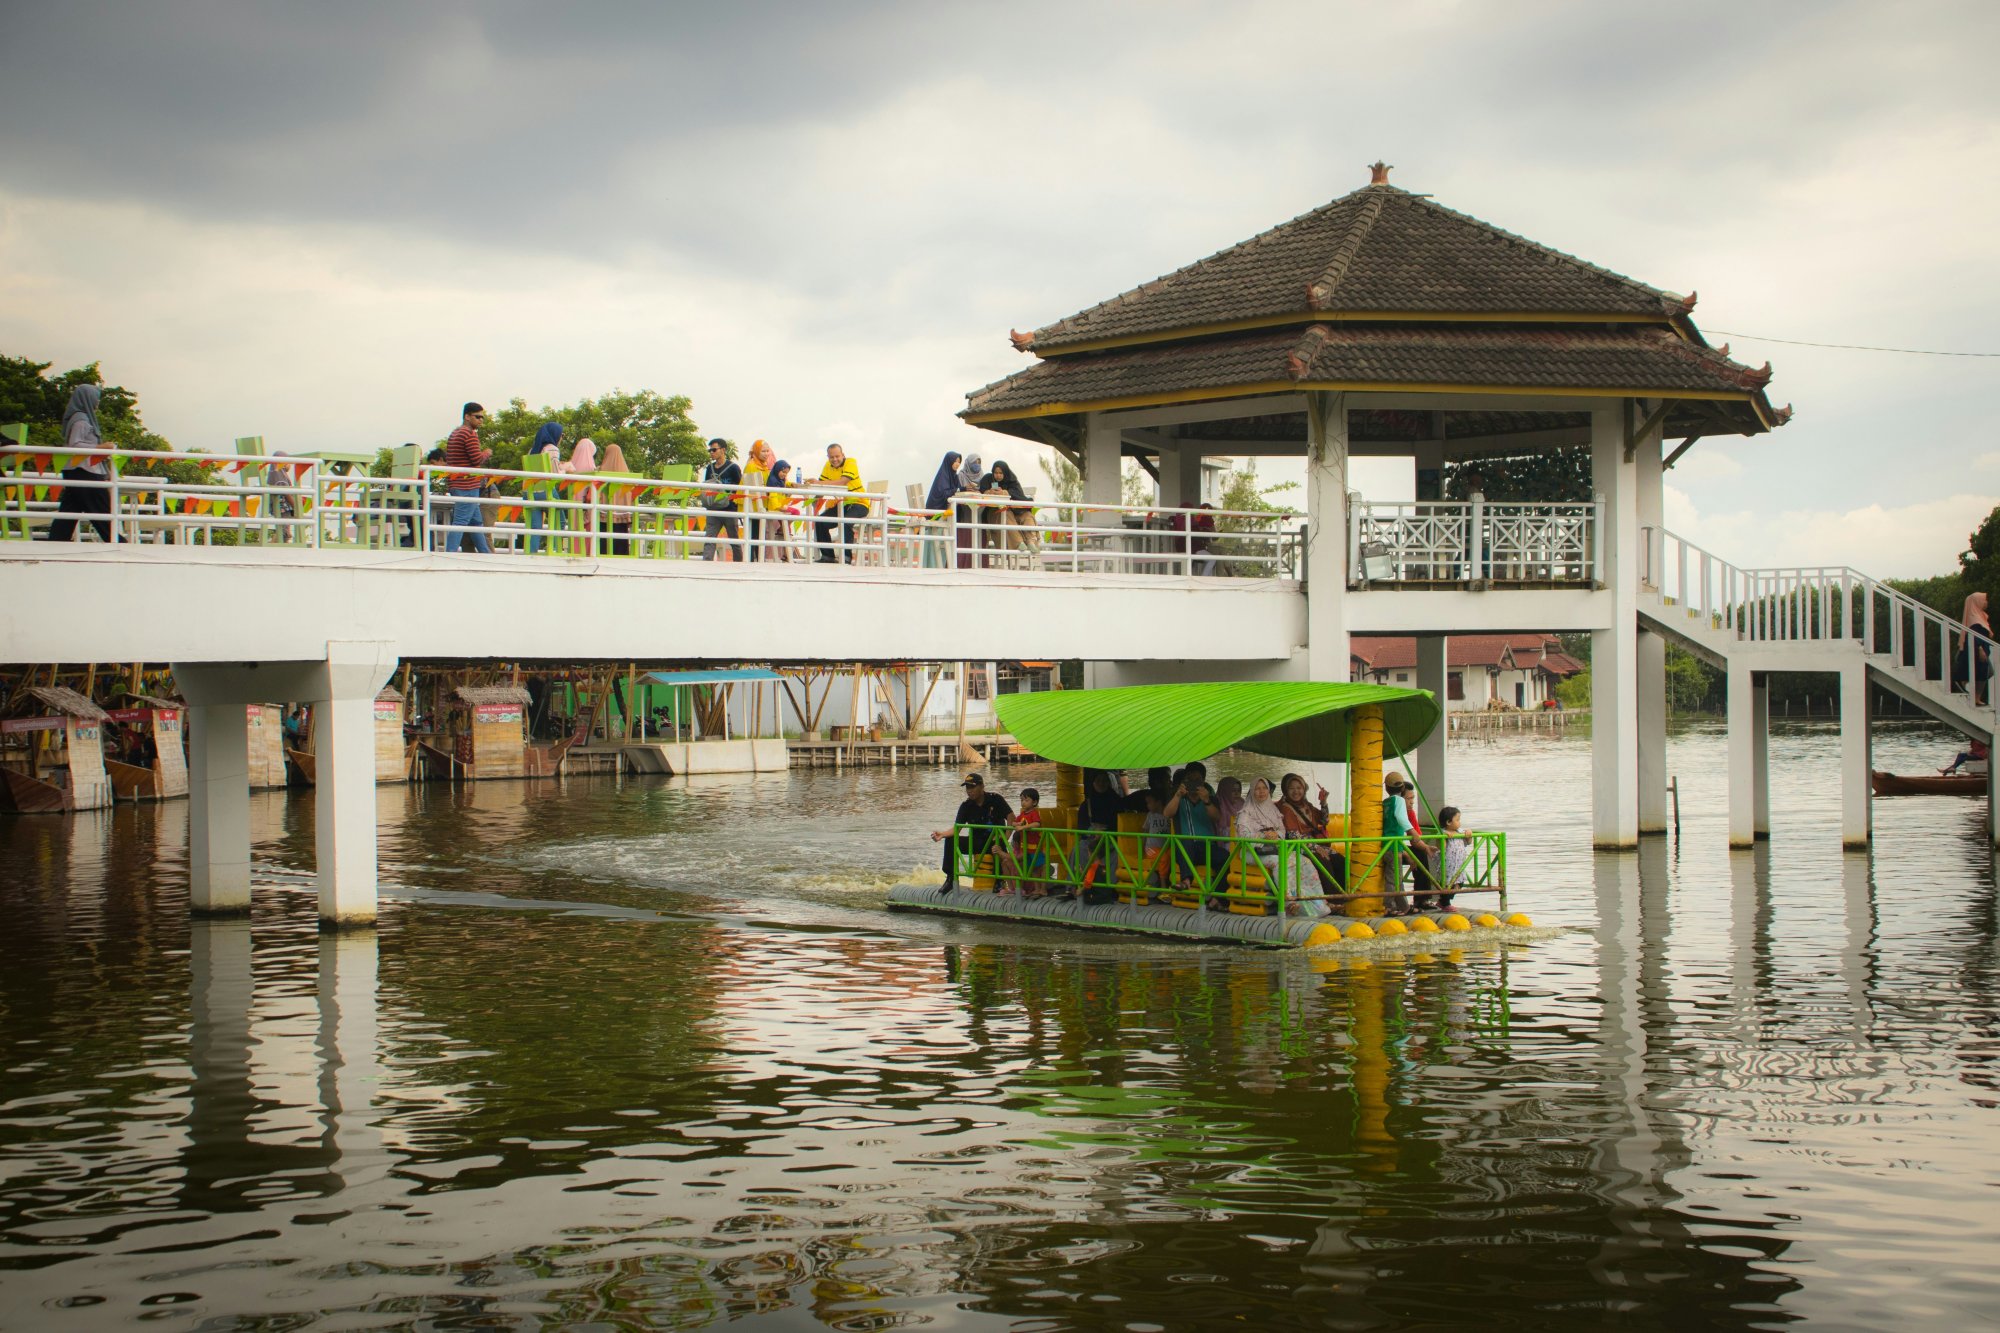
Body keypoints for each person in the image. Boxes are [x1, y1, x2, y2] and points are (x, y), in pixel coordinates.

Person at [46, 385, 112, 542]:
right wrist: (100, 448)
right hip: (84, 470)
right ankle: (118, 542)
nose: (97, 403)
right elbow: (75, 445)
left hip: (77, 469)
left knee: (70, 509)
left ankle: (56, 541)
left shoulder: (79, 418)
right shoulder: (82, 420)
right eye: (96, 398)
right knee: (101, 510)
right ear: (87, 398)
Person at [931, 773, 1014, 893]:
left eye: (972, 787)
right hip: (976, 842)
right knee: (951, 840)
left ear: (982, 786)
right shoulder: (966, 806)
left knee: (998, 844)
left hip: (995, 841)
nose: (969, 791)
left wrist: (1005, 837)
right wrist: (942, 834)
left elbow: (1011, 817)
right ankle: (951, 879)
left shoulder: (995, 799)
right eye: (967, 788)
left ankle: (999, 880)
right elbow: (956, 829)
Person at [1163, 761, 1225, 899]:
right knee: (1184, 842)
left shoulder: (1210, 798)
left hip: (1206, 847)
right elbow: (1167, 814)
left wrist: (1206, 800)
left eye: (1197, 780)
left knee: (1226, 858)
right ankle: (1186, 880)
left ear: (1203, 781)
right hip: (1185, 848)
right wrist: (1178, 795)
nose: (1193, 783)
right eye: (1189, 780)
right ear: (1184, 780)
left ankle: (1217, 898)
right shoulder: (1178, 797)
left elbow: (1217, 817)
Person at [1278, 772, 1345, 895]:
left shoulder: (1306, 805)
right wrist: (1316, 847)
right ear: (1285, 790)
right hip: (1299, 846)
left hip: (1315, 844)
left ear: (1304, 789)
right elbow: (1293, 836)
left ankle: (1345, 893)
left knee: (1339, 859)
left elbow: (1324, 820)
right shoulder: (1286, 808)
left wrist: (1324, 802)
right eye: (1291, 788)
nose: (1296, 791)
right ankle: (1333, 899)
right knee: (1324, 861)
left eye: (1299, 788)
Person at [443, 402, 492, 553]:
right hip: (468, 484)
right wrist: (487, 453)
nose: (480, 421)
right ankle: (449, 553)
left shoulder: (455, 433)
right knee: (461, 521)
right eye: (477, 417)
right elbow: (477, 459)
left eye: (482, 418)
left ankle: (486, 554)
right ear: (467, 416)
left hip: (457, 483)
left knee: (476, 522)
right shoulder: (469, 434)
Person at [811, 442, 869, 563]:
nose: (835, 459)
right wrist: (815, 499)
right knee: (820, 521)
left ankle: (846, 557)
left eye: (837, 456)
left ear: (843, 455)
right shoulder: (827, 466)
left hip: (859, 503)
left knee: (845, 522)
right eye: (831, 457)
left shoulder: (851, 462)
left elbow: (843, 482)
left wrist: (817, 483)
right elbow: (821, 486)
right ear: (828, 457)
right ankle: (828, 556)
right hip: (841, 504)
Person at [978, 460, 1037, 556]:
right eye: (996, 473)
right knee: (1006, 513)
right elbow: (981, 492)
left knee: (1028, 515)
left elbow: (1020, 497)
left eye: (1001, 473)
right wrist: (989, 492)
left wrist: (1005, 493)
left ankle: (1030, 541)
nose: (998, 475)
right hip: (996, 512)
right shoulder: (988, 479)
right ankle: (1018, 542)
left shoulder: (1012, 481)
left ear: (1005, 473)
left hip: (1017, 511)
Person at [700, 438, 744, 562]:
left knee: (734, 540)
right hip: (713, 508)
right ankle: (706, 564)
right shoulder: (709, 468)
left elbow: (740, 488)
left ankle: (738, 565)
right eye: (710, 450)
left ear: (723, 450)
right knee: (709, 538)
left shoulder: (733, 468)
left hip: (729, 509)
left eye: (714, 450)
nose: (711, 453)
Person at [524, 421, 564, 553]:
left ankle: (531, 553)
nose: (561, 438)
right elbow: (556, 475)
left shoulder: (532, 450)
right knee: (560, 520)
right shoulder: (552, 448)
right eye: (561, 435)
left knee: (535, 526)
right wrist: (567, 468)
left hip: (530, 492)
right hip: (546, 491)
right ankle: (554, 550)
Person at [1011, 787, 1049, 897]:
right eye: (1022, 800)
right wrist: (1017, 824)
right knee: (1033, 869)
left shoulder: (1034, 813)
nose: (1023, 802)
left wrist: (1024, 827)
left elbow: (1037, 824)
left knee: (1041, 867)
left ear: (1035, 802)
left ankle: (1043, 889)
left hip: (1035, 847)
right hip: (1025, 848)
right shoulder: (1022, 814)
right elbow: (1014, 822)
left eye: (1026, 800)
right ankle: (1037, 889)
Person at [742, 439, 776, 561]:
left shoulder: (764, 466)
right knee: (753, 534)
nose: (766, 454)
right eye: (763, 451)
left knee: (757, 534)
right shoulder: (751, 466)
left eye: (768, 451)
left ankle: (756, 558)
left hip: (760, 504)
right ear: (756, 451)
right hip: (753, 505)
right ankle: (752, 559)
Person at [598, 442, 634, 555]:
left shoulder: (600, 472)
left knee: (603, 540)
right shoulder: (626, 474)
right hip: (621, 516)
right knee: (620, 539)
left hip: (604, 516)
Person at [1959, 592, 1992, 705]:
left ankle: (1975, 695)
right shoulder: (1974, 618)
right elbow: (1973, 635)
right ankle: (1975, 696)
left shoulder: (1980, 615)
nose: (1986, 602)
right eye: (1984, 600)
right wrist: (1980, 649)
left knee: (1986, 672)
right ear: (1977, 602)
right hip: (1978, 650)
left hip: (1982, 648)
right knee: (1984, 672)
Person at [1435, 806, 1469, 913]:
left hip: (1459, 866)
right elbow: (1441, 847)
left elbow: (1468, 842)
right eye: (1457, 820)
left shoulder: (1460, 832)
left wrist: (1469, 834)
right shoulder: (1442, 833)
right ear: (1449, 822)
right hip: (1448, 866)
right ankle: (1445, 903)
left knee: (1460, 882)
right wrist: (1444, 836)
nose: (1459, 822)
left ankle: (1443, 901)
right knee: (1447, 884)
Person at [761, 459, 795, 562]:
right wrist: (780, 507)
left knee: (787, 529)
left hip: (780, 506)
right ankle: (781, 529)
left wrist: (790, 485)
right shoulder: (773, 482)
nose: (784, 475)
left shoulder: (779, 480)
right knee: (796, 513)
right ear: (777, 470)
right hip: (775, 507)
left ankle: (786, 554)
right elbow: (773, 498)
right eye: (783, 472)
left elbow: (785, 485)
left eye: (786, 473)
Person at [954, 453, 983, 568]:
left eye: (979, 462)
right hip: (964, 509)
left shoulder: (982, 475)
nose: (977, 465)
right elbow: (958, 491)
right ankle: (963, 563)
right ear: (969, 463)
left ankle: (978, 563)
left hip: (979, 509)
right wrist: (966, 488)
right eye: (975, 462)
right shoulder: (961, 475)